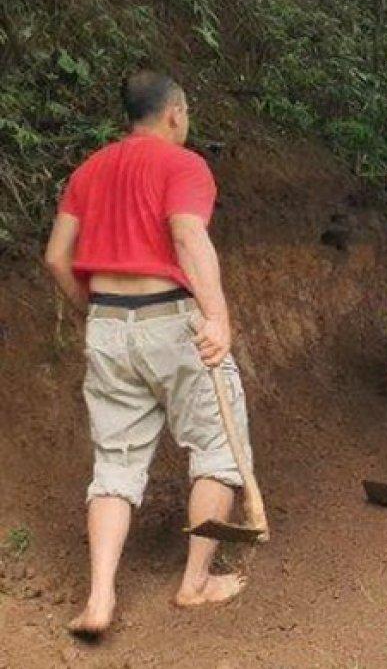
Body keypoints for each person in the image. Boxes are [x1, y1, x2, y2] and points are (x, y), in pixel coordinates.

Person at [43, 71, 252, 638]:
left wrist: (96, 310)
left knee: (114, 463)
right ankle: (194, 584)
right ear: (176, 113)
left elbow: (58, 258)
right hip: (172, 319)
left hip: (108, 325)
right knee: (214, 445)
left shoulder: (88, 171)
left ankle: (100, 598)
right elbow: (188, 236)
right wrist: (218, 317)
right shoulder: (183, 166)